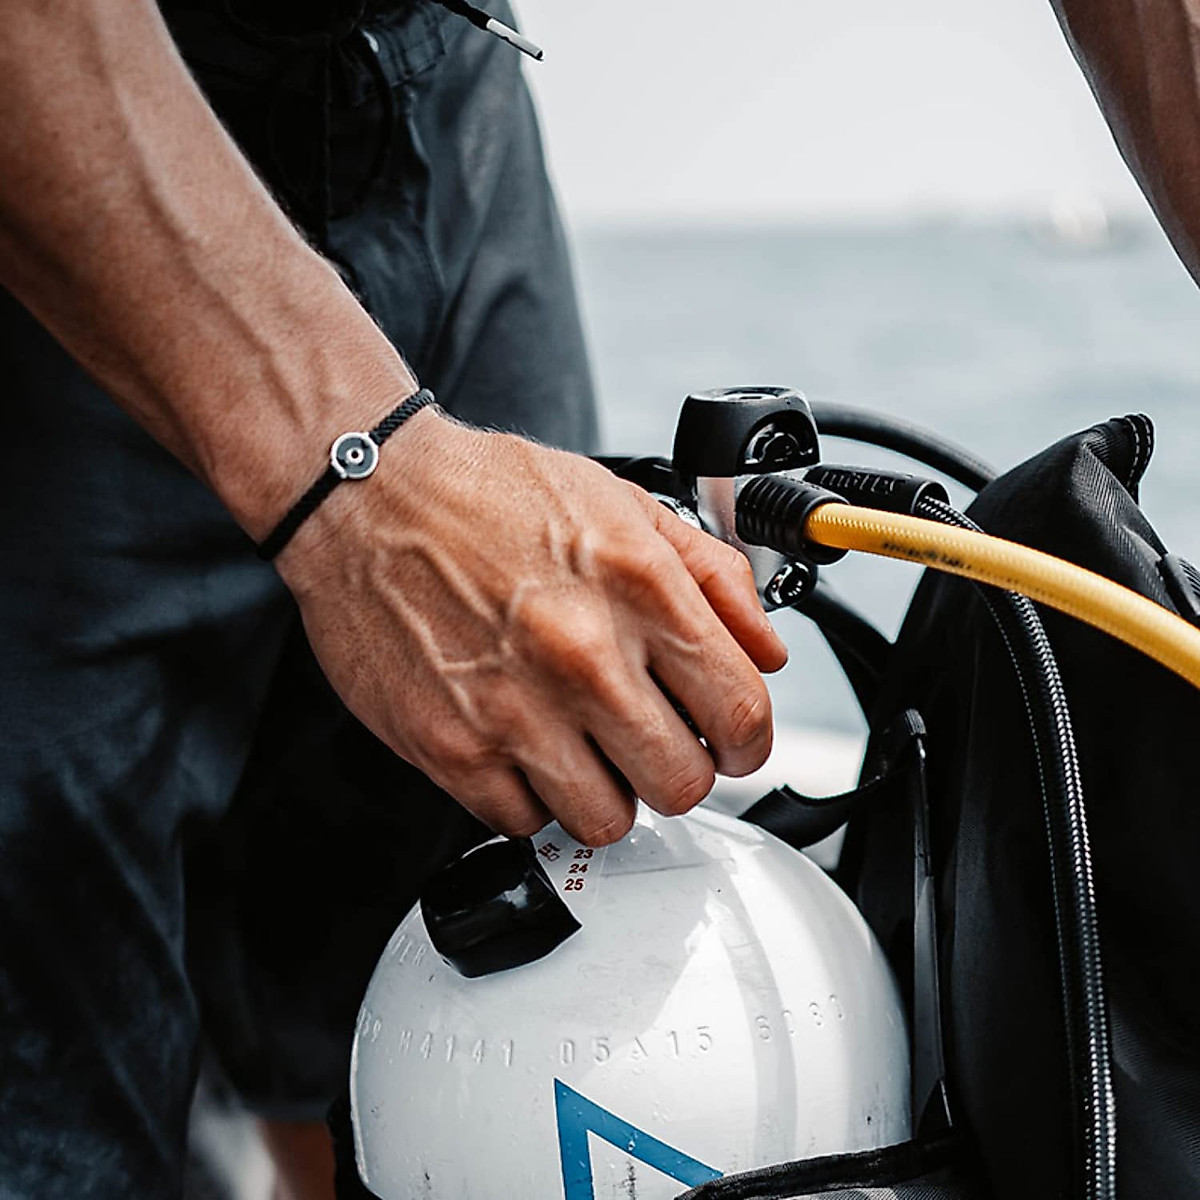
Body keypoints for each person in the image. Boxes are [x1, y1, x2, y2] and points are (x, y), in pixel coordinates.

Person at [0, 2, 788, 1198]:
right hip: (65, 117)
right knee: (54, 1099)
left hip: (443, 74)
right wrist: (360, 481)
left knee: (451, 995)